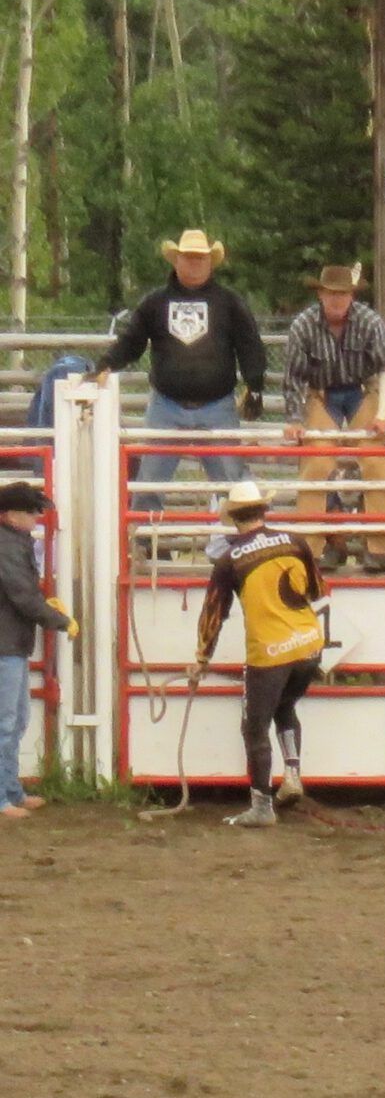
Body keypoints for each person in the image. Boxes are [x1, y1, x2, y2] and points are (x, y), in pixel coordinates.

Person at [97, 229, 265, 531]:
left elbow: (249, 343)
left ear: (210, 262)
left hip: (217, 404)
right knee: (150, 480)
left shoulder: (229, 303)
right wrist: (108, 363)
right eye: (189, 257)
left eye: (200, 258)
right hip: (167, 404)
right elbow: (132, 340)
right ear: (176, 261)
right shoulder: (155, 303)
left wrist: (255, 386)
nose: (195, 263)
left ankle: (242, 537)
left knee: (230, 480)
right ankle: (146, 538)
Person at [189, 479, 326, 828]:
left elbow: (213, 615)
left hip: (269, 652)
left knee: (254, 726)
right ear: (264, 511)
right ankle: (292, 774)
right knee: (286, 706)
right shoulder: (296, 542)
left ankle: (262, 805)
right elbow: (316, 589)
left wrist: (201, 658)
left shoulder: (229, 560)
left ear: (234, 518)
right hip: (309, 643)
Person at [283, 264, 385, 573]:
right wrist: (295, 418)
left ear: (352, 295)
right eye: (331, 294)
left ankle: (380, 546)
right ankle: (310, 547)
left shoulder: (370, 322)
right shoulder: (303, 325)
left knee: (374, 460)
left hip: (362, 390)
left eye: (343, 294)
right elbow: (294, 377)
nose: (337, 300)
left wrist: (383, 415)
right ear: (320, 294)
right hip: (320, 393)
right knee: (318, 461)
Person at [0, 481, 79, 820]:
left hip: (10, 641)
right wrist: (59, 619)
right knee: (7, 722)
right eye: (31, 511)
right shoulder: (8, 545)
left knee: (13, 722)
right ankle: (3, 796)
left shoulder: (11, 541)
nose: (36, 516)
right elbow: (21, 593)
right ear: (11, 514)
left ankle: (10, 792)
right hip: (6, 644)